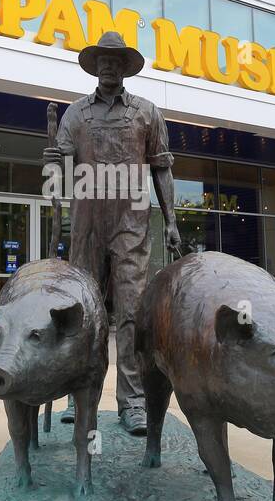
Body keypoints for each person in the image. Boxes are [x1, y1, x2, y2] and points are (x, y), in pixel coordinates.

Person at [43, 31, 179, 435]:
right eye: (102, 59)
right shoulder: (75, 114)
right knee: (82, 310)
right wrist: (53, 160)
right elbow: (62, 165)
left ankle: (133, 401)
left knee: (133, 313)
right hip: (87, 223)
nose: (107, 65)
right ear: (95, 65)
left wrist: (171, 220)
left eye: (114, 60)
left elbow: (162, 168)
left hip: (132, 222)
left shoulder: (146, 112)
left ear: (124, 67)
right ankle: (77, 394)